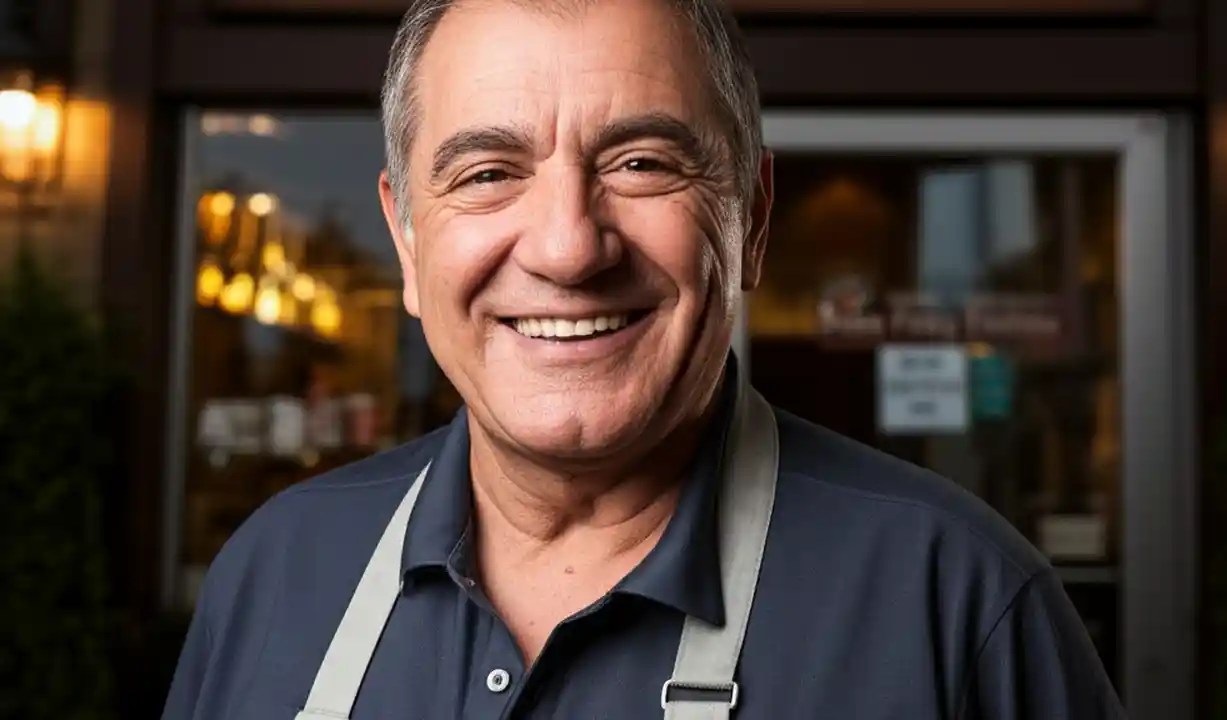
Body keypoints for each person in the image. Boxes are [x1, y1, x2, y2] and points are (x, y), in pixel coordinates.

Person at [162, 0, 1127, 717]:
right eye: (489, 174)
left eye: (641, 164)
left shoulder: (962, 606)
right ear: (408, 244)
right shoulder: (275, 574)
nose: (569, 247)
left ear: (748, 221)